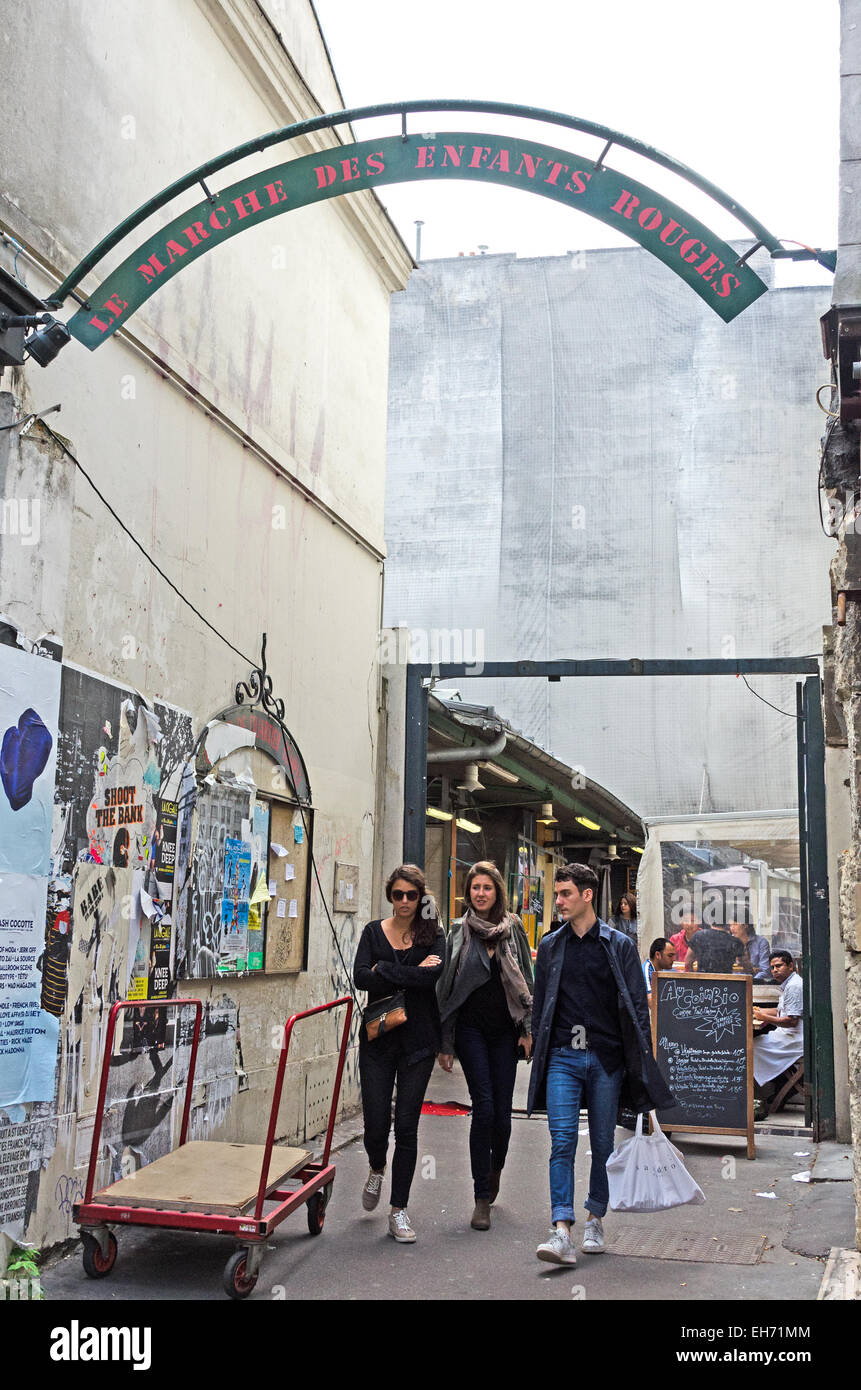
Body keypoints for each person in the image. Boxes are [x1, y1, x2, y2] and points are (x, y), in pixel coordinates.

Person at [528, 863, 675, 1266]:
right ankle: (561, 1229)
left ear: (587, 895)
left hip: (606, 1058)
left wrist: (641, 1058)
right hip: (562, 1056)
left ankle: (595, 1217)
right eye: (557, 894)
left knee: (602, 1144)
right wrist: (534, 1038)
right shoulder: (551, 945)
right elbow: (541, 1003)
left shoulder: (618, 945)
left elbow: (635, 1008)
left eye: (565, 894)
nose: (557, 901)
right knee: (562, 1141)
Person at [436, 860, 534, 1231]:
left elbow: (526, 981)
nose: (480, 894)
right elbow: (445, 990)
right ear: (468, 892)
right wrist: (445, 1041)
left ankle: (495, 1170)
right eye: (474, 887)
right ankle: (481, 1198)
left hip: (506, 1032)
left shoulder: (514, 931)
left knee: (504, 1115)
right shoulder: (459, 933)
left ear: (497, 893)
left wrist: (527, 1029)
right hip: (471, 1031)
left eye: (486, 888)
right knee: (485, 1108)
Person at [353, 864, 445, 1243]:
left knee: (406, 1125)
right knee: (376, 1122)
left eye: (411, 895)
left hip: (419, 1042)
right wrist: (403, 971)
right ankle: (377, 1166)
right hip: (378, 1039)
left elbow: (431, 978)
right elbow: (361, 977)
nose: (405, 902)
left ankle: (398, 1210)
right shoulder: (373, 932)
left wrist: (385, 969)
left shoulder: (433, 935)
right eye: (398, 895)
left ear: (420, 897)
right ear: (390, 896)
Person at [753, 951, 804, 1088]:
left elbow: (791, 1021)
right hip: (788, 1035)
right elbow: (781, 1011)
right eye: (772, 968)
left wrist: (764, 1017)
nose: (775, 970)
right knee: (754, 1044)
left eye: (779, 966)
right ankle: (783, 1084)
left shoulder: (794, 986)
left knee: (751, 1049)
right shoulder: (790, 983)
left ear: (791, 966)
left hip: (794, 1039)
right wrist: (757, 1011)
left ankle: (782, 1085)